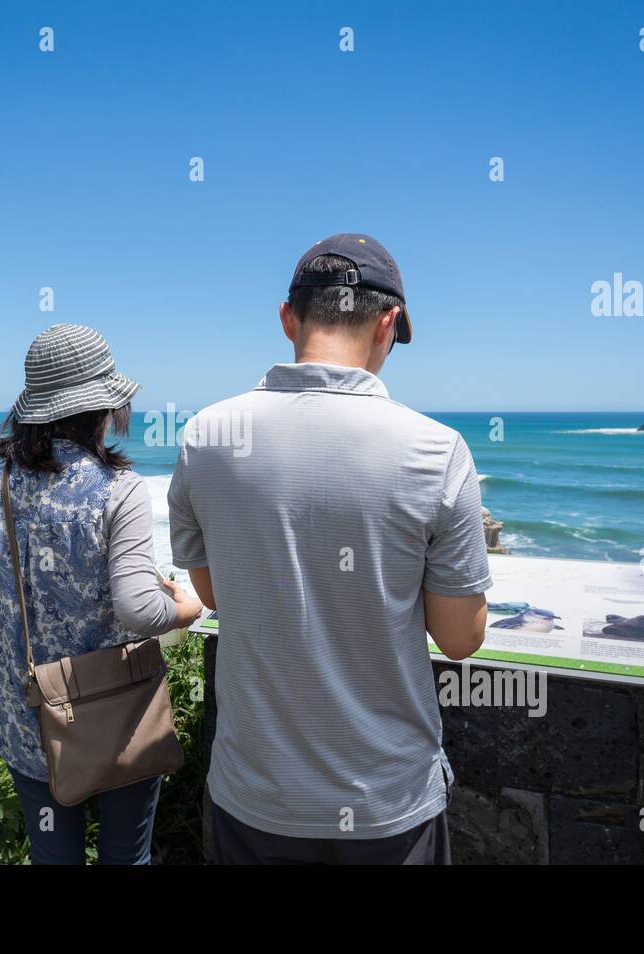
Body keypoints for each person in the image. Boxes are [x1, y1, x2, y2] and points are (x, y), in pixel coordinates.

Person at [168, 233, 491, 864]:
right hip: (386, 800)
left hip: (255, 794)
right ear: (389, 322)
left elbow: (213, 593)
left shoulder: (206, 437)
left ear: (288, 317)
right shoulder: (436, 449)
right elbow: (460, 638)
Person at [0, 323, 203, 864]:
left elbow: (0, 591)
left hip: (31, 717)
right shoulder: (118, 491)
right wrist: (186, 606)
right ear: (103, 408)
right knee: (126, 858)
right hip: (120, 715)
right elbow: (137, 608)